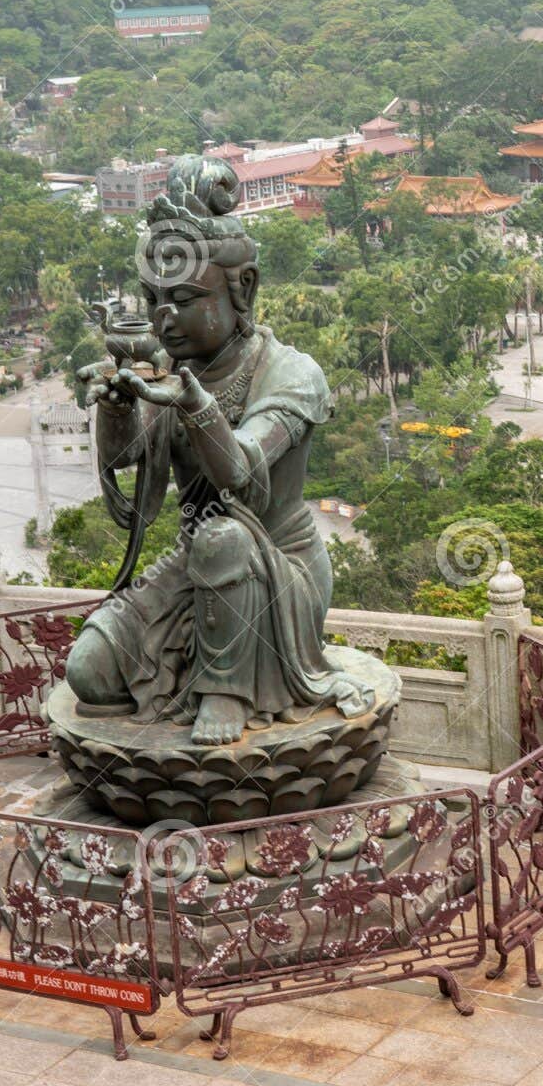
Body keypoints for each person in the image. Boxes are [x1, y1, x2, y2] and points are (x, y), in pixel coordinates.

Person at [67, 155, 370, 746]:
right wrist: (118, 405)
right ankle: (186, 676)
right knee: (90, 672)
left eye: (183, 298)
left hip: (276, 569)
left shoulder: (289, 374)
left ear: (244, 288)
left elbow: (243, 479)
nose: (165, 317)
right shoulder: (172, 368)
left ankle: (227, 688)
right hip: (192, 562)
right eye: (153, 299)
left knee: (223, 534)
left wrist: (192, 403)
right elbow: (128, 463)